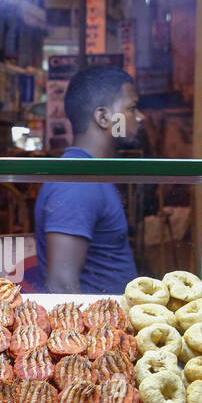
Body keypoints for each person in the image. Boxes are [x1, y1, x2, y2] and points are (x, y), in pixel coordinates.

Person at [33, 66, 142, 295]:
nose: (140, 117)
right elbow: (61, 284)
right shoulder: (78, 184)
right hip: (99, 328)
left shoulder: (90, 174)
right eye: (131, 109)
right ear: (103, 117)